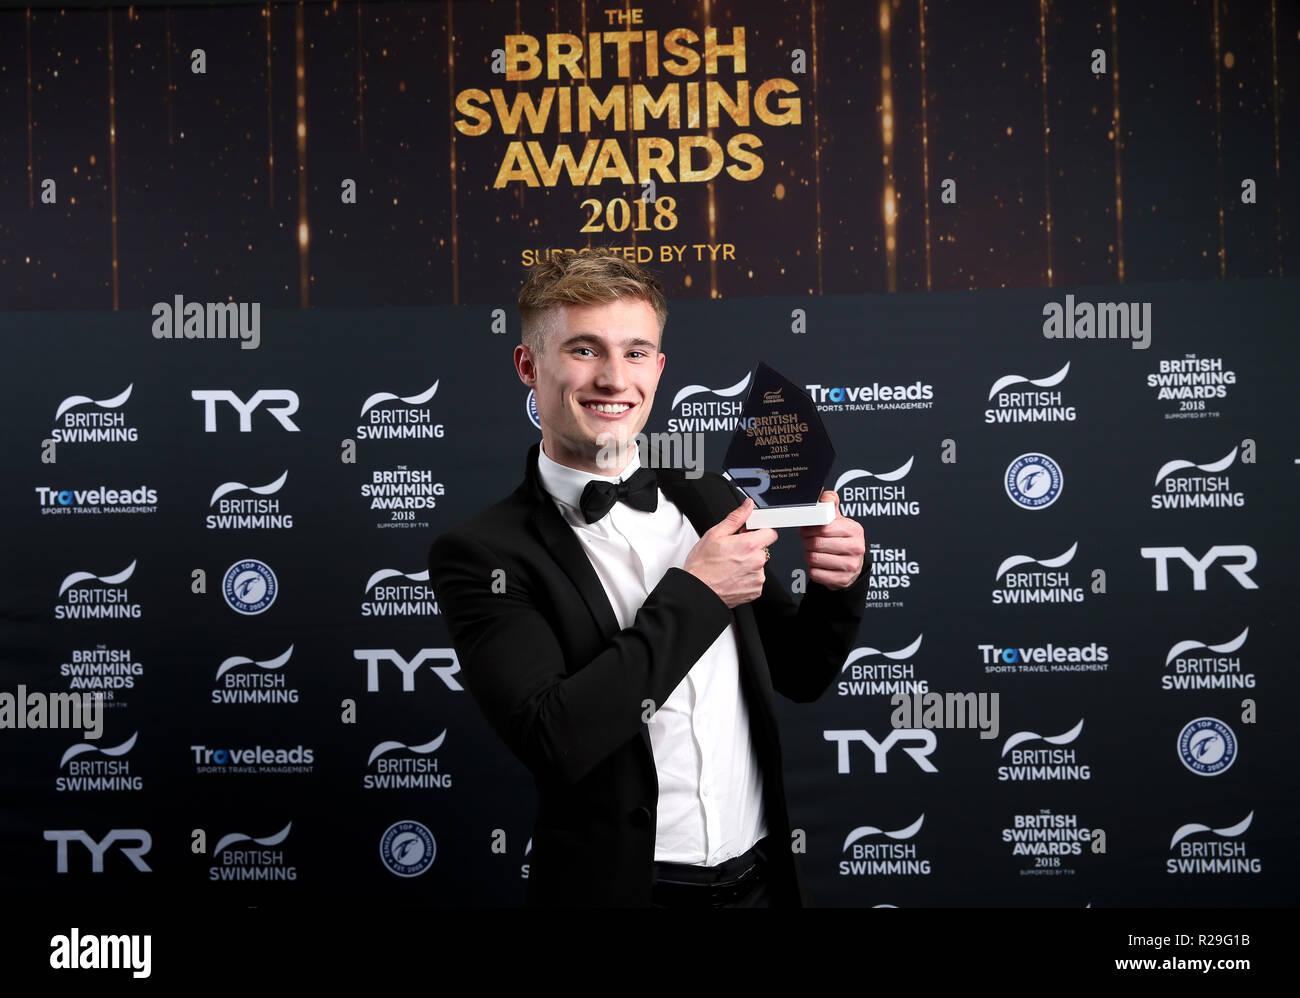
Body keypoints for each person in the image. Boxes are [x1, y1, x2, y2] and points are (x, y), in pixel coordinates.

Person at [427, 248, 868, 907]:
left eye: (635, 353)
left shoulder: (712, 499)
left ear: (658, 369)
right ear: (528, 365)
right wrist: (696, 593)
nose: (613, 378)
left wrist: (839, 581)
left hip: (762, 885)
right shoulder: (484, 554)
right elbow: (557, 738)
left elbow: (801, 672)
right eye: (584, 350)